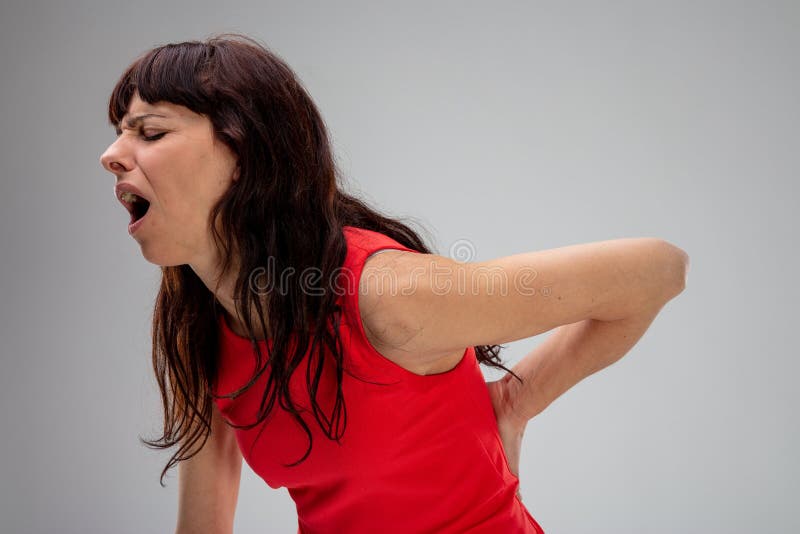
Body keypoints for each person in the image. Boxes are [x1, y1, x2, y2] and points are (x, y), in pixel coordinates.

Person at [99, 33, 688, 534]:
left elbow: (660, 269)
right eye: (120, 133)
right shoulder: (200, 326)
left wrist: (515, 403)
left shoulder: (388, 295)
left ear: (243, 153)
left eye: (150, 133)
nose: (112, 155)